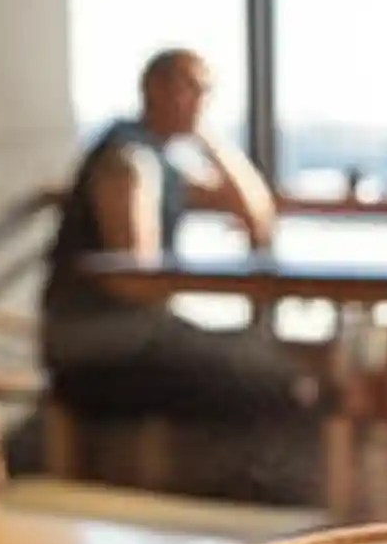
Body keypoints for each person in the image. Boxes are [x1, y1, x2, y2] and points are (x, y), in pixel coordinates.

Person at [43, 49, 325, 425]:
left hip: (129, 335)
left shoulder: (161, 160)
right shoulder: (128, 161)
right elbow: (136, 278)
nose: (201, 100)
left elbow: (255, 212)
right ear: (156, 89)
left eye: (206, 92)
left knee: (273, 368)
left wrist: (208, 137)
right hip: (97, 345)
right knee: (275, 380)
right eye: (192, 88)